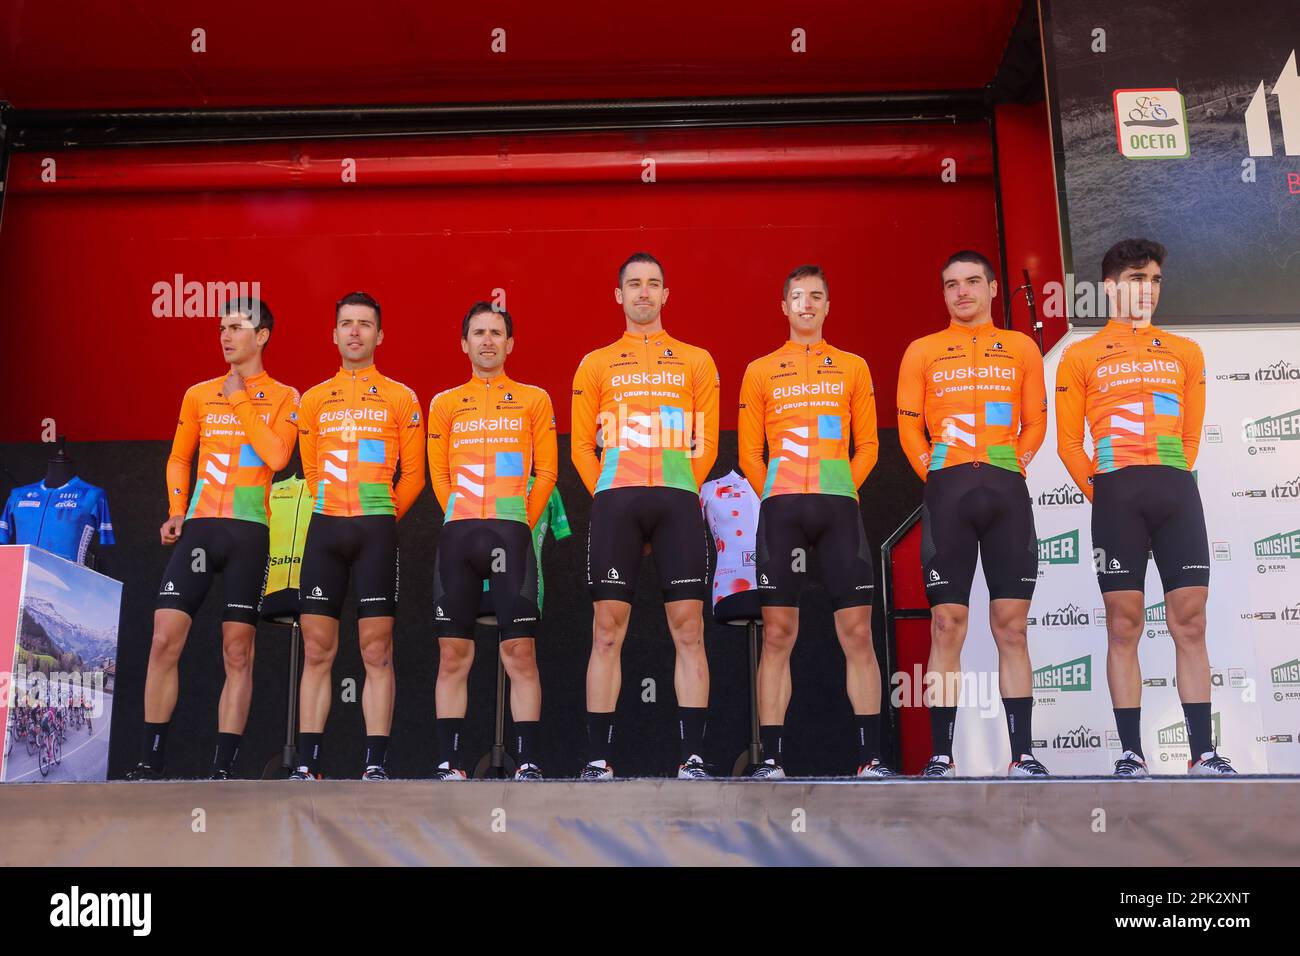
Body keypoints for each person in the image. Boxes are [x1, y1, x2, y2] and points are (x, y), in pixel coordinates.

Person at [1056, 238, 1234, 776]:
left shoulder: (1185, 351)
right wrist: (1106, 492)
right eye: (1137, 279)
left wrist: (1167, 477)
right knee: (1123, 623)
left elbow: (1192, 433)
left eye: (1155, 280)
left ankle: (1202, 753)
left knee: (1191, 622)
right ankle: (1131, 753)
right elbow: (1068, 445)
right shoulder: (1079, 354)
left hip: (1176, 493)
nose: (1148, 290)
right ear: (1110, 287)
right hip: (1116, 497)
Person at [127, 298, 299, 780]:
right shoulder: (198, 394)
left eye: (237, 328)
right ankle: (149, 760)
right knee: (163, 638)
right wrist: (176, 511)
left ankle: (222, 768)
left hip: (249, 532)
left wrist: (241, 397)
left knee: (238, 650)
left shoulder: (287, 396)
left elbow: (277, 455)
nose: (225, 336)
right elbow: (180, 458)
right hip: (201, 527)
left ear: (262, 335)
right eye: (221, 327)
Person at [737, 264, 895, 778]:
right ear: (783, 307)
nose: (807, 305)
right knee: (778, 634)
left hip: (838, 511)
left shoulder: (853, 367)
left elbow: (868, 446)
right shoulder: (760, 370)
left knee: (857, 633)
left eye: (817, 297)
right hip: (782, 512)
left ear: (829, 306)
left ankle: (870, 759)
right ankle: (773, 761)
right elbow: (750, 453)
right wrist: (777, 493)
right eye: (798, 297)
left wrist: (841, 487)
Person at [897, 250, 1049, 778]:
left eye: (971, 282)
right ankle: (941, 754)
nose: (961, 292)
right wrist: (936, 473)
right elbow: (910, 427)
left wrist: (1016, 465)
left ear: (990, 289)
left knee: (1012, 628)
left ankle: (1023, 754)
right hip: (949, 493)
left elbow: (1035, 422)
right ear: (944, 294)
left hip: (1006, 492)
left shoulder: (1022, 347)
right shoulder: (922, 350)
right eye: (951, 284)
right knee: (946, 624)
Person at [571, 252, 720, 779]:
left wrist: (681, 490)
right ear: (618, 295)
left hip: (678, 501)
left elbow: (705, 443)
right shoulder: (595, 363)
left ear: (665, 295)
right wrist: (609, 494)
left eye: (653, 284)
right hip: (617, 504)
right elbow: (581, 452)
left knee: (690, 630)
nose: (643, 292)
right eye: (633, 284)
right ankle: (597, 757)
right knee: (606, 632)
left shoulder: (697, 360)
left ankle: (693, 757)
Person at [291, 292, 426, 780]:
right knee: (317, 650)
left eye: (364, 324)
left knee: (376, 650)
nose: (354, 332)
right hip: (326, 528)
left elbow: (413, 475)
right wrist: (339, 507)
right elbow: (309, 470)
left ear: (379, 335)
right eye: (346, 324)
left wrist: (383, 515)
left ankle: (374, 763)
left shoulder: (401, 397)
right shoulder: (312, 399)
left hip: (375, 531)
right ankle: (308, 764)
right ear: (333, 334)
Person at [426, 302, 558, 781]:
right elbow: (439, 476)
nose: (487, 340)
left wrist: (522, 519)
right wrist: (457, 517)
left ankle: (528, 762)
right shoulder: (443, 403)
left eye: (496, 333)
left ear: (510, 344)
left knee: (519, 652)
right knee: (452, 654)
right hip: (458, 536)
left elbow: (547, 471)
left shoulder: (533, 400)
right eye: (478, 333)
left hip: (511, 532)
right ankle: (449, 763)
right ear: (464, 343)